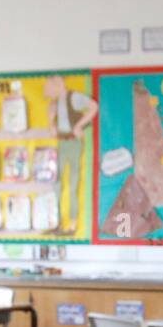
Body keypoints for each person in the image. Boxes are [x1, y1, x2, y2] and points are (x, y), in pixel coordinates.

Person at [45, 75, 98, 235]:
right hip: (62, 141)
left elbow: (93, 107)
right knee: (57, 182)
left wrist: (79, 125)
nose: (47, 91)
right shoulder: (55, 103)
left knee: (73, 183)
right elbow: (53, 123)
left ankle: (72, 225)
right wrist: (51, 123)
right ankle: (58, 222)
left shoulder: (74, 97)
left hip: (73, 141)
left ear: (58, 85)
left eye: (50, 87)